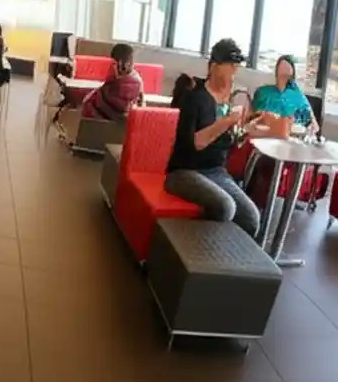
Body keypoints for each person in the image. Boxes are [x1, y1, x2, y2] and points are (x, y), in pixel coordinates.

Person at [164, 38, 261, 238]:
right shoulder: (194, 96)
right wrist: (227, 121)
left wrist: (244, 130)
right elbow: (196, 143)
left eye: (236, 67)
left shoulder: (227, 101)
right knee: (225, 206)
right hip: (183, 172)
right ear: (214, 66)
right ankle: (192, 246)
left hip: (216, 172)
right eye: (231, 66)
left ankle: (231, 254)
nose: (234, 72)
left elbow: (227, 144)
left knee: (251, 218)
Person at [251, 55, 319, 133]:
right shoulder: (263, 92)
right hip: (265, 133)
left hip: (293, 135)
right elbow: (252, 117)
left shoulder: (299, 97)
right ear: (276, 74)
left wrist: (309, 126)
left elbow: (314, 125)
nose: (284, 80)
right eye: (282, 76)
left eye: (287, 77)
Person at [81, 43, 143, 122]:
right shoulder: (137, 80)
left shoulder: (120, 83)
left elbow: (92, 101)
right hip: (124, 123)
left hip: (103, 123)